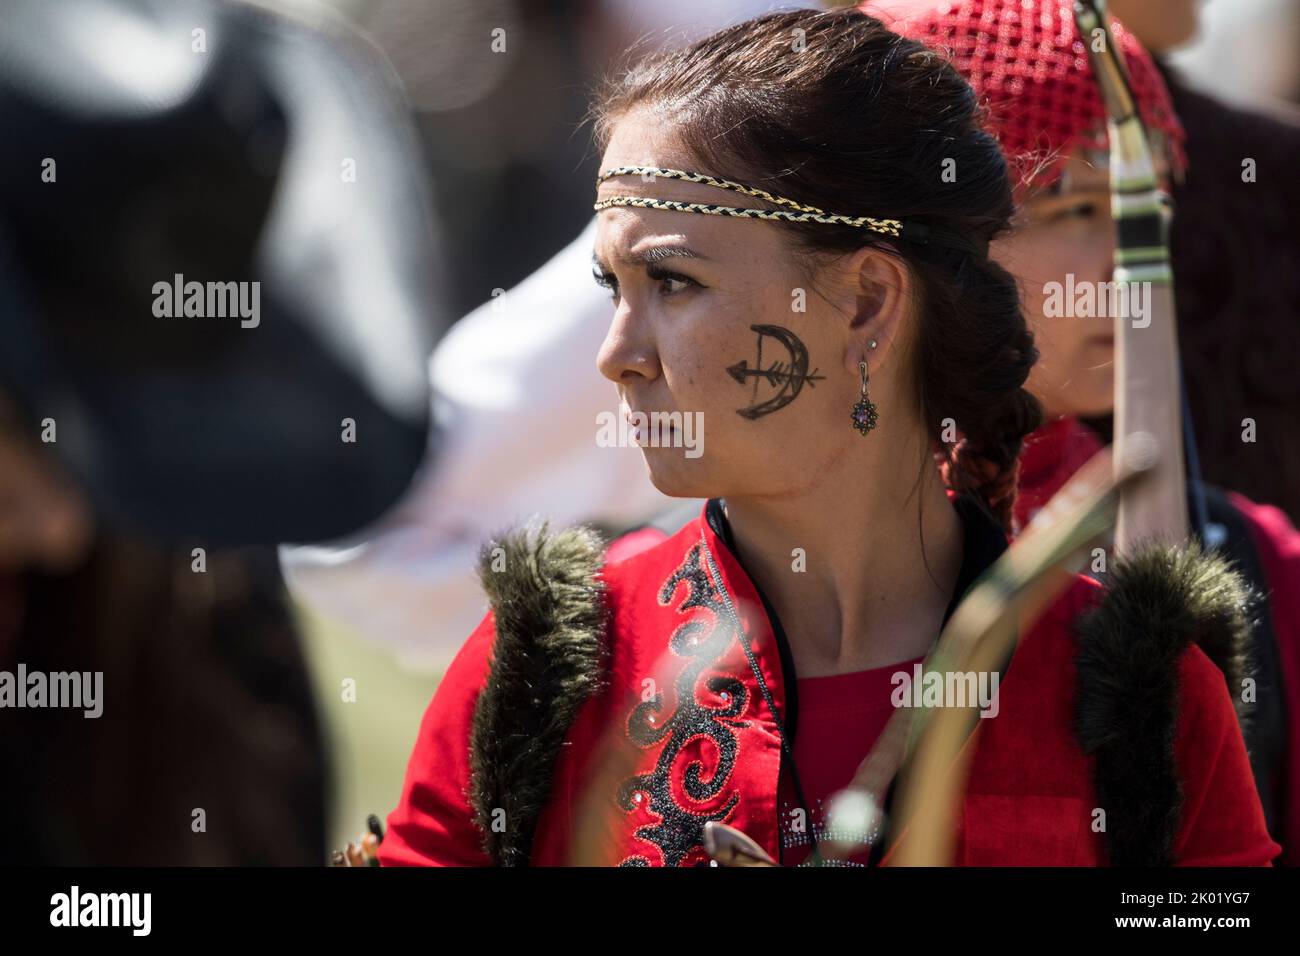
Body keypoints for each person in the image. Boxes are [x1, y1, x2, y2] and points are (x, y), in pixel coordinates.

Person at [377, 8, 1276, 867]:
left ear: (866, 303)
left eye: (675, 284)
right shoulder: (548, 670)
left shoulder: (1134, 687)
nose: (618, 357)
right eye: (616, 288)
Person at [863, 0, 1300, 864]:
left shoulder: (1256, 562)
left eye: (1143, 213)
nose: (1133, 268)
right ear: (914, 249)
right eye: (1069, 210)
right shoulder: (778, 560)